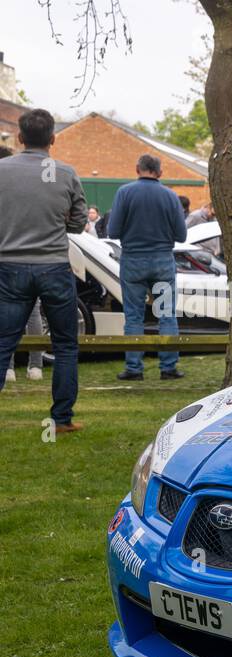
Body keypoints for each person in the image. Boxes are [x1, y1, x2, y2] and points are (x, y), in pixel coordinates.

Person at [0, 108, 88, 432]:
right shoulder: (65, 173)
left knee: (3, 343)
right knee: (65, 345)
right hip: (53, 266)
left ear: (20, 138)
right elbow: (79, 222)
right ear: (53, 139)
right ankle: (61, 419)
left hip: (8, 267)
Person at [109, 153, 189, 380]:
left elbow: (113, 231)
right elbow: (181, 235)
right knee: (166, 314)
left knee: (133, 317)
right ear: (160, 173)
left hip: (133, 261)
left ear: (137, 169)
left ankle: (134, 368)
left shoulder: (124, 193)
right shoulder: (171, 196)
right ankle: (168, 367)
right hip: (163, 260)